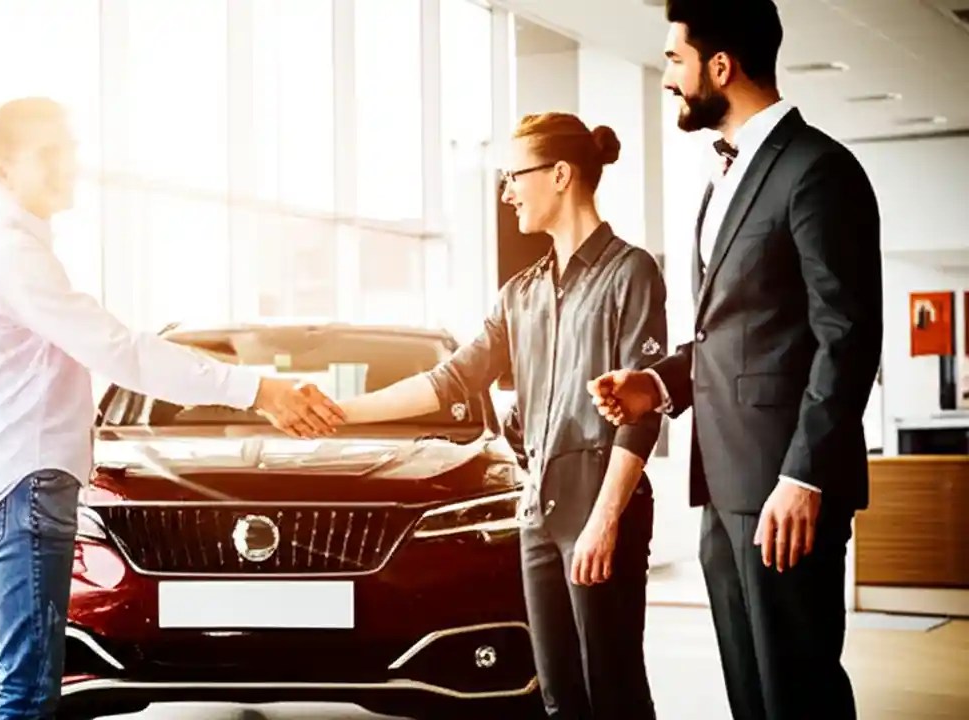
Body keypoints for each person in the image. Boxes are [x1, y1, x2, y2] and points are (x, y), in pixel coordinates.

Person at [0, 97, 346, 720]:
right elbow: (122, 352)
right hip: (28, 487)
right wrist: (258, 391)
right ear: (2, 170)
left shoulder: (9, 251)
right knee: (25, 692)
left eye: (70, 148)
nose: (69, 163)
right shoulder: (17, 258)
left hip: (7, 484)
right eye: (48, 153)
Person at [587, 2, 883, 719]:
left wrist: (804, 475)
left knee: (796, 693)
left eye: (674, 61)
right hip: (723, 484)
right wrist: (657, 384)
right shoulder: (726, 176)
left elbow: (847, 336)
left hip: (785, 487)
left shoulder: (818, 171)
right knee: (751, 693)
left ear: (721, 67)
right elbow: (738, 335)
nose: (667, 80)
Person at [333, 113, 666, 720]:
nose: (506, 192)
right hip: (539, 512)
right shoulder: (521, 294)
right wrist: (343, 413)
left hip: (602, 504)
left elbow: (641, 416)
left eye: (515, 175)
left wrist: (604, 519)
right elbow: (450, 380)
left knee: (613, 690)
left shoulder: (631, 272)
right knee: (557, 695)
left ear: (560, 175)